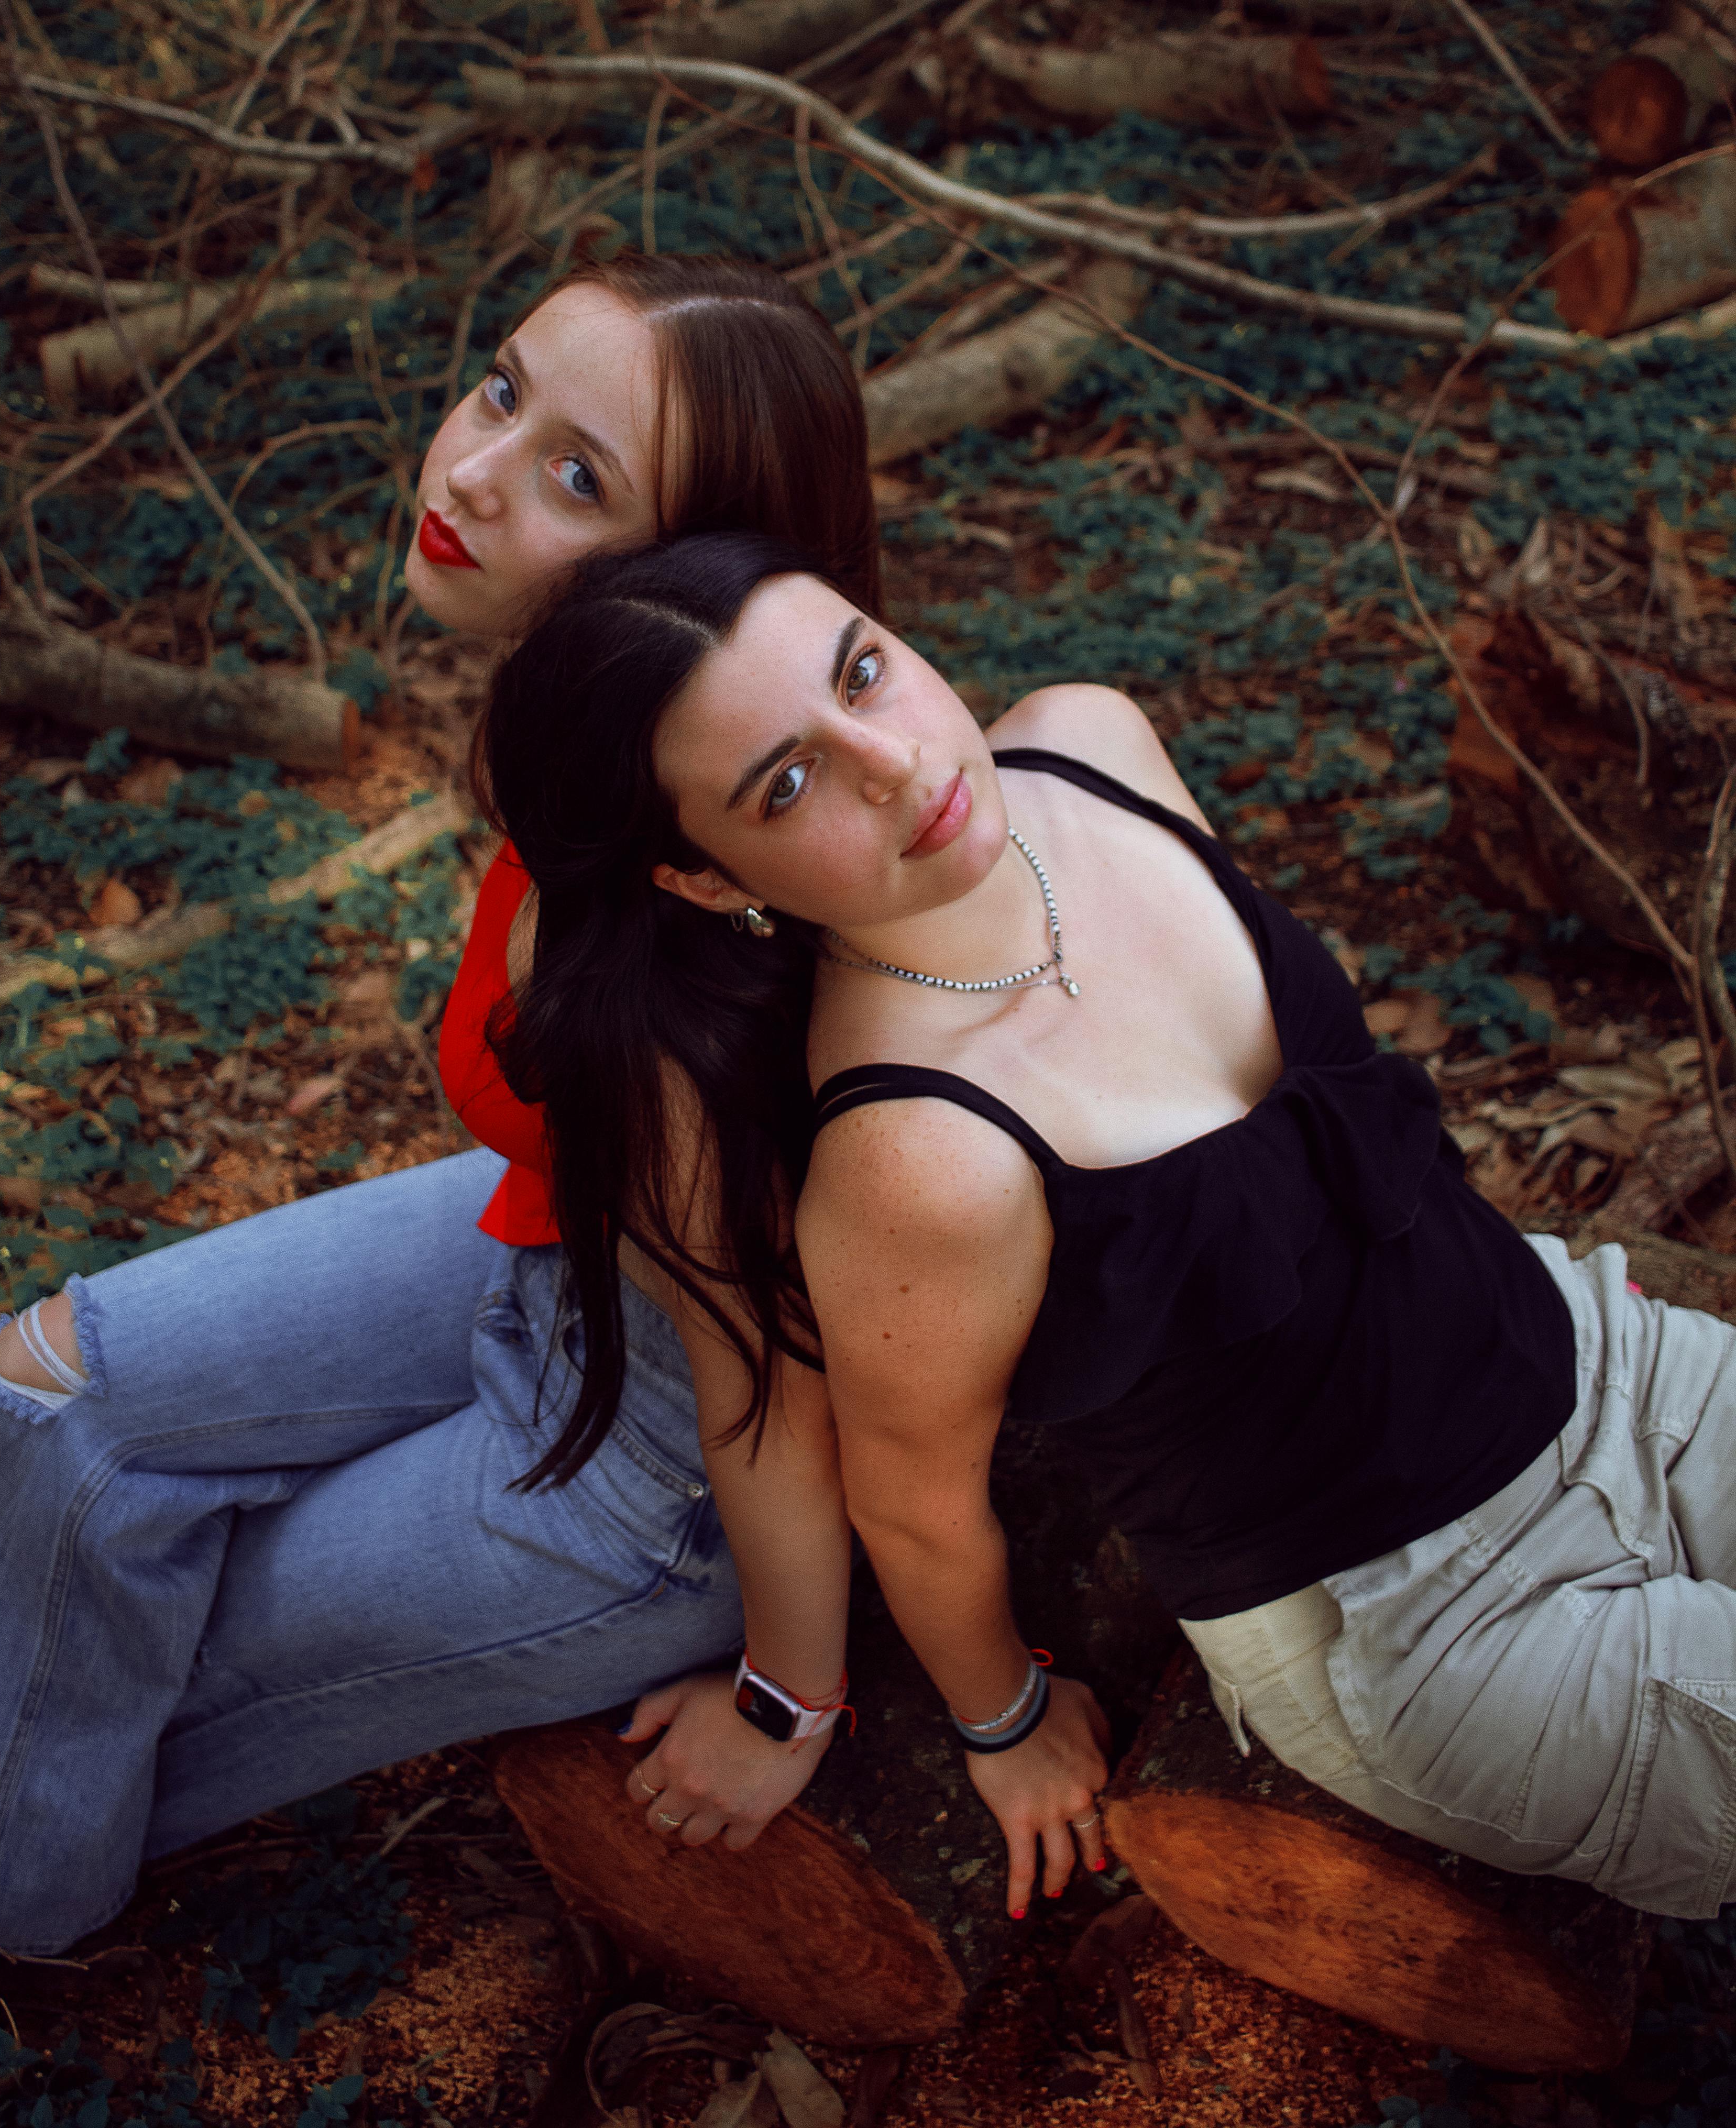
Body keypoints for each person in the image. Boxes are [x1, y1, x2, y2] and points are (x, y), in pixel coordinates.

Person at [476, 528, 1736, 1928]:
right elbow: (911, 1495)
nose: (892, 762)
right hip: (1435, 1622)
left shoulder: (1092, 745)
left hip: (1607, 1362)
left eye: (864, 673)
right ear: (710, 880)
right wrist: (1006, 1722)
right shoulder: (917, 1155)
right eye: (787, 784)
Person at [0, 258, 876, 1961]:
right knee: (36, 1393)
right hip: (541, 1252)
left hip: (645, 1473)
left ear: (691, 566)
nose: (468, 473)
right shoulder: (604, 750)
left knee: (90, 1659)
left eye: (577, 477)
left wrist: (789, 1701)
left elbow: (762, 1392)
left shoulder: (685, 907)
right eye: (503, 393)